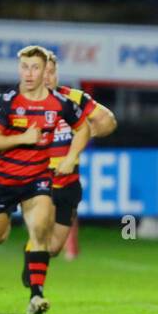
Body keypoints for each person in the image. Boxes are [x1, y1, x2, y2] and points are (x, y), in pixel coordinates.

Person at [0, 45, 91, 314]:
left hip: (38, 180)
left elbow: (84, 128)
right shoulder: (8, 102)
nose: (29, 73)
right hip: (5, 180)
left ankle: (36, 297)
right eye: (24, 67)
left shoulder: (60, 104)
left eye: (35, 68)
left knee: (40, 232)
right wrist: (23, 138)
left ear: (45, 72)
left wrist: (70, 157)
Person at [44, 53, 115, 264]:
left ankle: (61, 251)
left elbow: (108, 120)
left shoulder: (73, 99)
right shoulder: (20, 102)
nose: (47, 77)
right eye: (43, 72)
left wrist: (85, 134)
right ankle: (36, 287)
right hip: (36, 176)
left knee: (53, 246)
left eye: (52, 72)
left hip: (67, 176)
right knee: (40, 221)